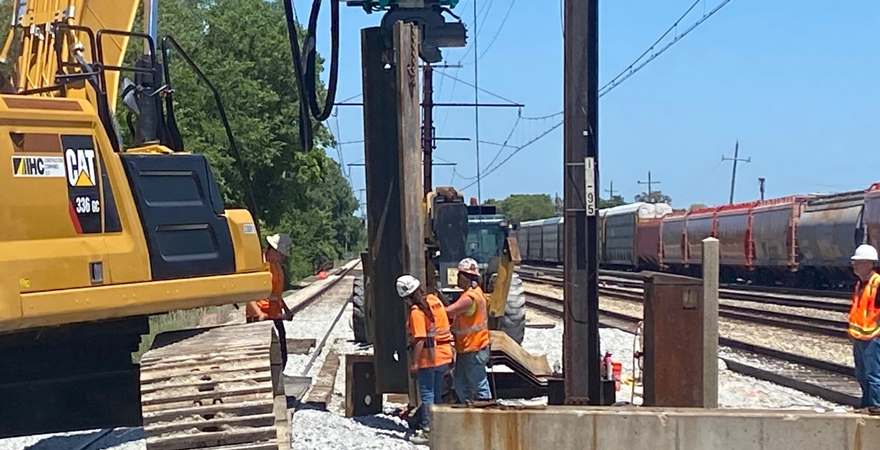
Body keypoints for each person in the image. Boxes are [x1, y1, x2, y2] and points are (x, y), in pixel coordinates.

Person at [397, 274, 453, 444]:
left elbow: (420, 338)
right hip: (444, 355)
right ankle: (441, 429)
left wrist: (414, 363)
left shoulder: (416, 312)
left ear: (406, 297)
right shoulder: (435, 301)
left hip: (428, 359)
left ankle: (428, 431)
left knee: (428, 395)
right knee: (437, 395)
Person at [445, 258, 492, 402]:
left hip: (475, 347)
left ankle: (486, 411)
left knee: (478, 384)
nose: (458, 279)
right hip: (467, 347)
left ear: (467, 277)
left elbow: (449, 312)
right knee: (460, 383)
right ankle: (469, 410)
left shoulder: (469, 298)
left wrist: (432, 305)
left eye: (460, 275)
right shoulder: (477, 293)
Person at [247, 233, 292, 368]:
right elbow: (248, 294)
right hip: (260, 315)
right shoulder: (258, 265)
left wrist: (286, 309)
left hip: (274, 313)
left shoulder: (277, 266)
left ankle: (280, 376)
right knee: (263, 351)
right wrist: (259, 313)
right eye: (281, 254)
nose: (282, 258)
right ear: (273, 250)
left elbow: (276, 294)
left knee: (281, 348)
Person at [850, 244, 880, 411]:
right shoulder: (860, 284)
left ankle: (877, 404)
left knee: (873, 374)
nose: (854, 265)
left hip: (873, 337)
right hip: (860, 336)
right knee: (862, 375)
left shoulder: (877, 283)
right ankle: (867, 403)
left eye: (858, 262)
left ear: (869, 263)